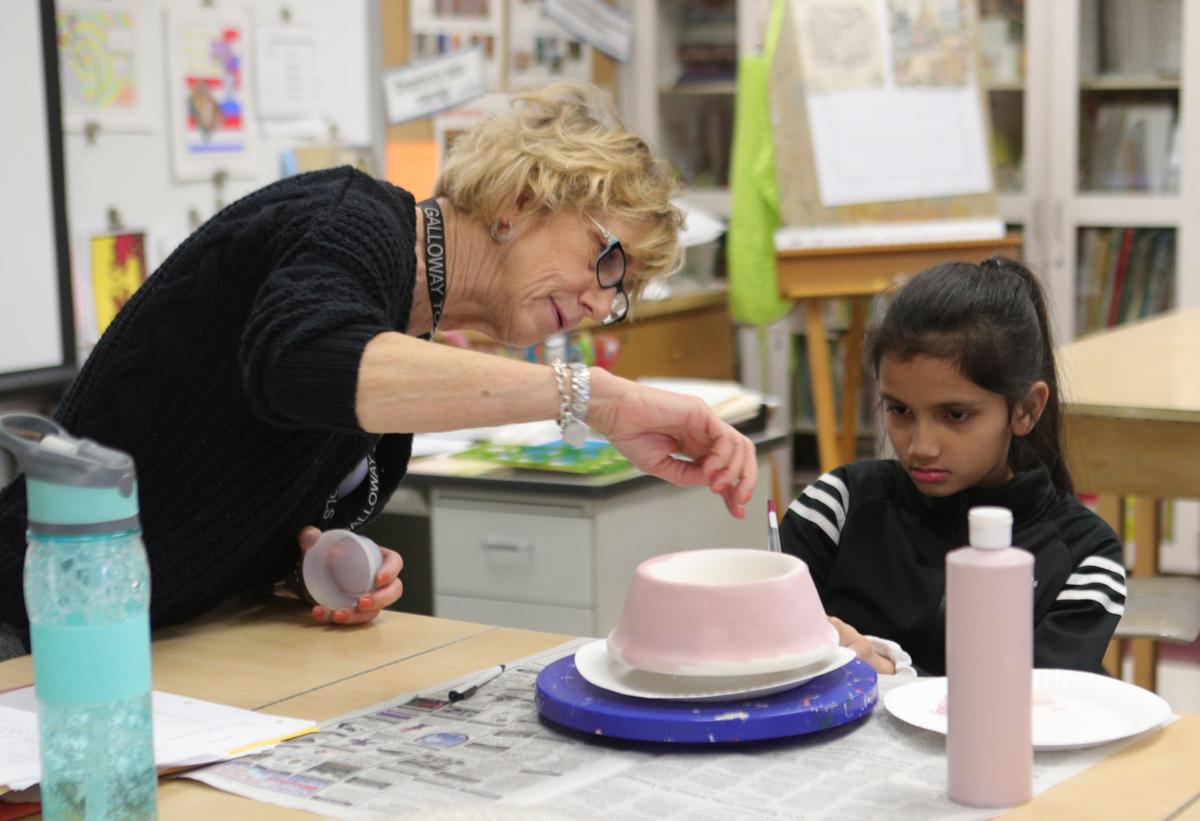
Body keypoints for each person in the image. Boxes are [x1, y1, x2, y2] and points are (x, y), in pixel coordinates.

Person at [0, 83, 757, 652]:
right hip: (21, 629)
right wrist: (590, 397)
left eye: (619, 295)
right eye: (607, 260)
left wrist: (319, 567)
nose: (600, 301)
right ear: (522, 201)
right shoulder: (349, 220)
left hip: (149, 644)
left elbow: (250, 491)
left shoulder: (403, 338)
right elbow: (302, 364)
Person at [781, 256, 1124, 676]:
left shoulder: (1085, 555)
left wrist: (887, 674)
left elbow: (1033, 707)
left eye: (956, 415)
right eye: (900, 410)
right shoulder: (836, 508)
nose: (921, 447)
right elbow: (765, 648)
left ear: (1026, 410)